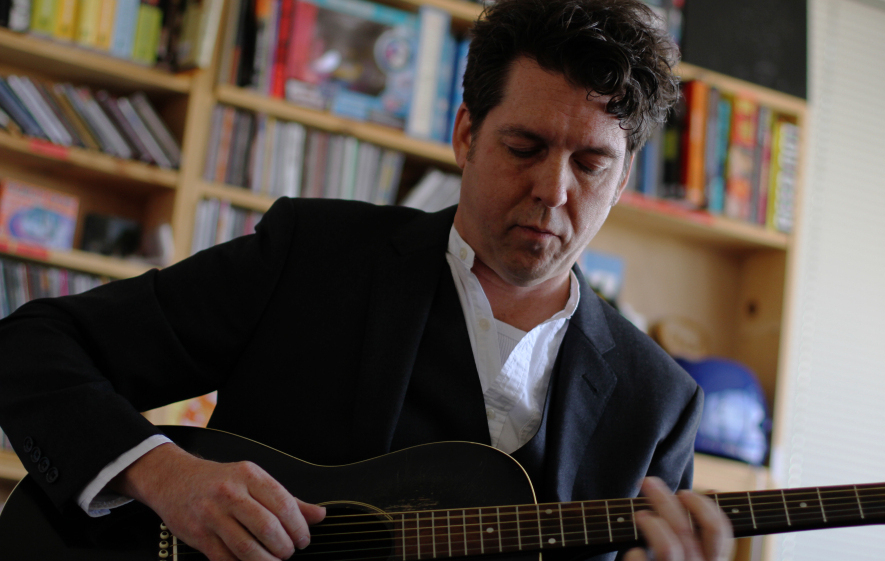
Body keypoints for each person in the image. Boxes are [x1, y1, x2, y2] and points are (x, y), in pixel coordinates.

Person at [0, 0, 732, 560]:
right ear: (467, 134)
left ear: (625, 176)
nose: (553, 189)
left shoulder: (658, 402)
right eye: (525, 145)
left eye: (591, 164)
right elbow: (31, 345)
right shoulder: (313, 256)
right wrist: (163, 474)